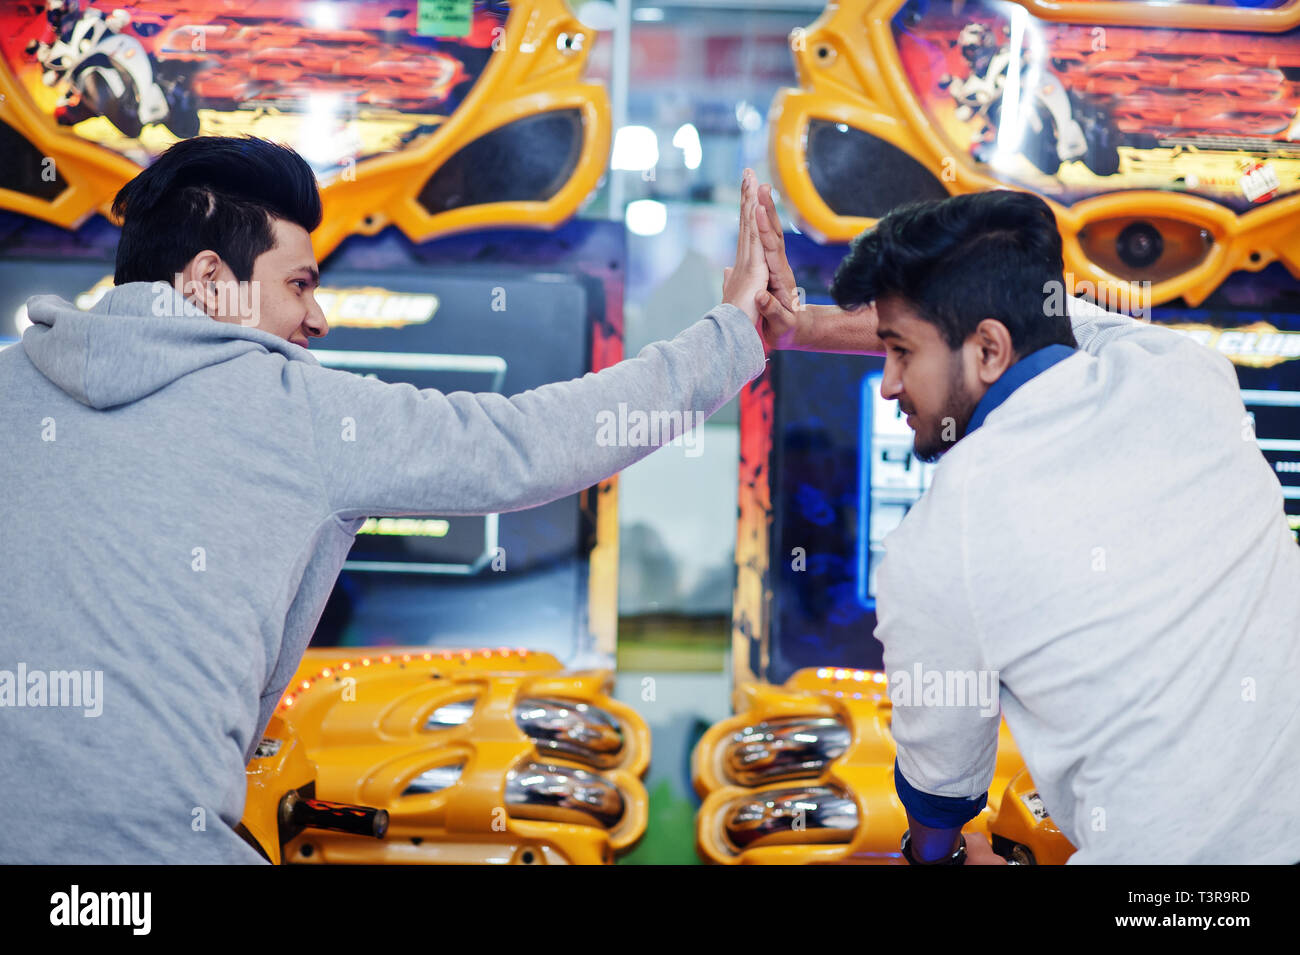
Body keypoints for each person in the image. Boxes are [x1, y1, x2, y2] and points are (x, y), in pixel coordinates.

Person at [0, 136, 776, 863]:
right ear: (209, 282)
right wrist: (732, 332)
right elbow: (529, 443)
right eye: (299, 284)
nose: (319, 317)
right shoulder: (291, 407)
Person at [754, 185, 1300, 864]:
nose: (889, 383)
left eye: (900, 351)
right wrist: (800, 325)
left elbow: (941, 792)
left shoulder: (944, 534)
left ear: (988, 350)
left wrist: (941, 856)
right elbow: (1035, 306)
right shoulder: (1183, 372)